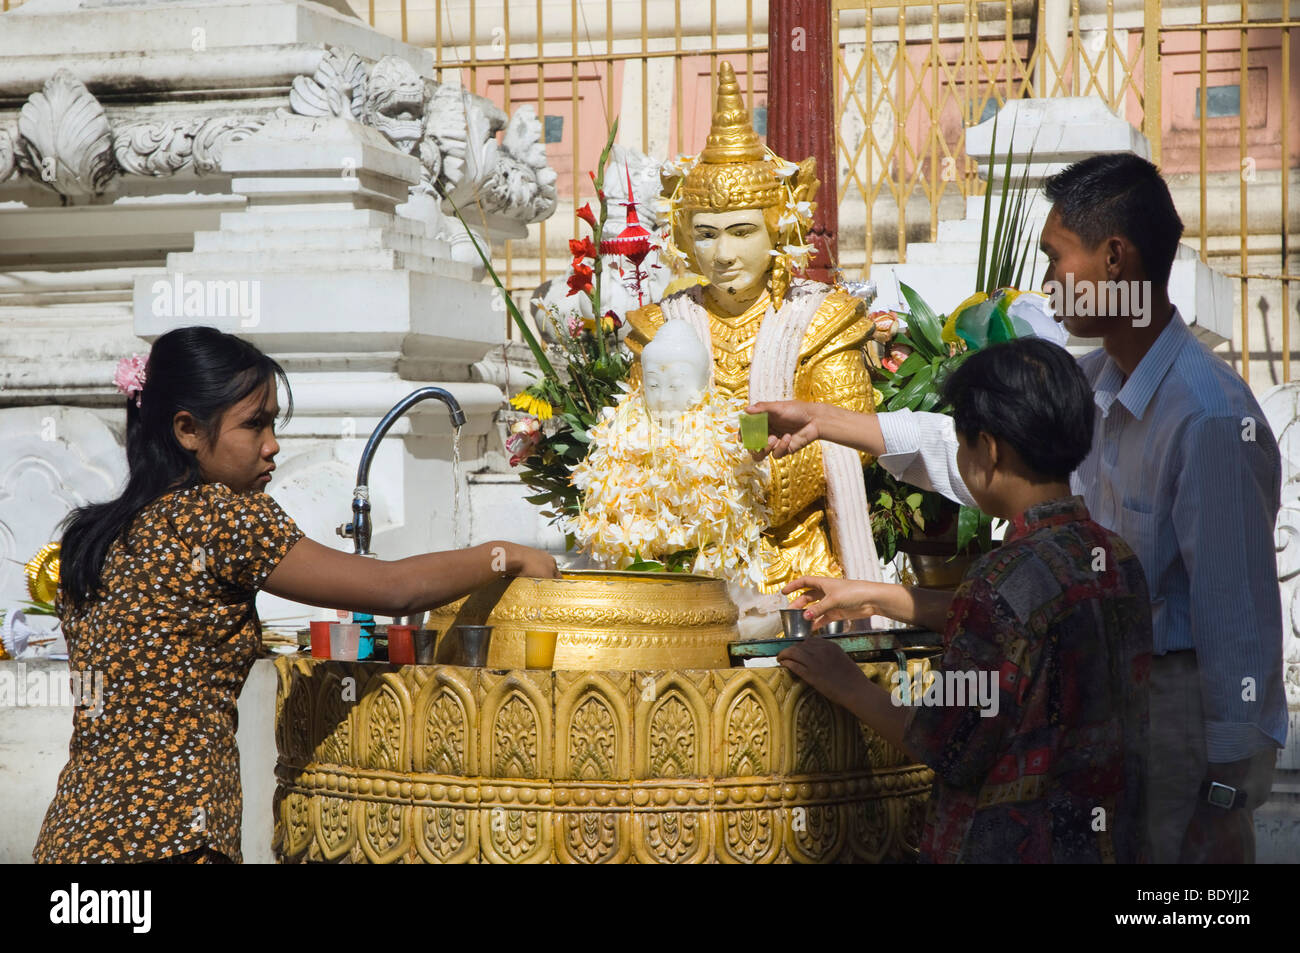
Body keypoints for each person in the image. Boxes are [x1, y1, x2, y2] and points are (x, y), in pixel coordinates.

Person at [754, 152, 1286, 863]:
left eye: (1055, 257)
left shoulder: (1208, 419)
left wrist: (1225, 800)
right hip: (1110, 740)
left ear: (1115, 257)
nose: (1045, 283)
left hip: (1180, 734)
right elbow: (967, 454)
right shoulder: (1092, 385)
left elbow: (1238, 629)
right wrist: (825, 419)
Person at [34, 326, 559, 864]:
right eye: (254, 425)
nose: (272, 445)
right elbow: (395, 590)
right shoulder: (220, 516)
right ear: (188, 430)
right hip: (172, 842)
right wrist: (503, 554)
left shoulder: (92, 538)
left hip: (72, 839)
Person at [777, 337, 1152, 863]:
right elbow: (1027, 625)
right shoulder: (1114, 557)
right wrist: (877, 597)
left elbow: (947, 741)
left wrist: (848, 685)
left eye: (961, 440)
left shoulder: (1000, 577)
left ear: (989, 449)